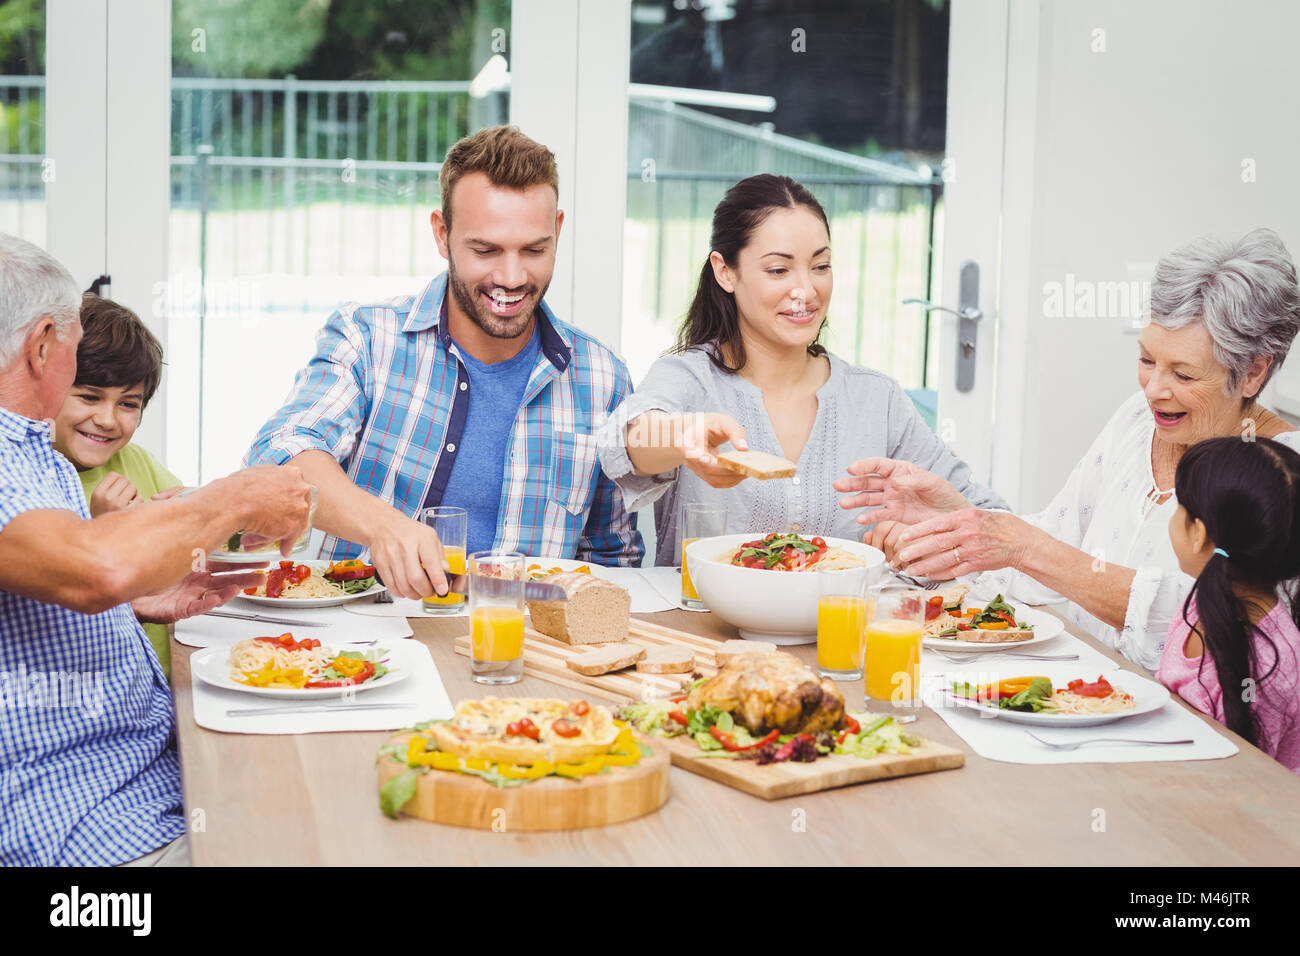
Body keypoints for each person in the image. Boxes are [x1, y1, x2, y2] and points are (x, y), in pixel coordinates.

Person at [840, 228, 1300, 671]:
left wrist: (1022, 546)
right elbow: (1055, 548)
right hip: (1084, 696)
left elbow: (1221, 623)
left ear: (1254, 373)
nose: (1154, 389)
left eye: (1183, 375)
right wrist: (956, 520)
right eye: (1146, 360)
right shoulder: (1137, 424)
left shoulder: (1281, 473)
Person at [0, 233, 313, 865]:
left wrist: (133, 602)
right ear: (42, 346)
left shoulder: (38, 455)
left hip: (153, 778)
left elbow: (65, 581)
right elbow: (94, 567)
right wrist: (238, 496)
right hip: (91, 829)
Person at [245, 125, 643, 598]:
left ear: (557, 230)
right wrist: (382, 527)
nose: (511, 277)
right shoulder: (368, 338)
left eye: (534, 250)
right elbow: (280, 454)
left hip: (520, 651)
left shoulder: (602, 379)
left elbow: (612, 559)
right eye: (485, 250)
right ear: (442, 233)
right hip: (369, 644)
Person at [597, 173, 1005, 566]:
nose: (806, 291)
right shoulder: (689, 377)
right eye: (779, 270)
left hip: (839, 636)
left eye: (821, 266)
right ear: (725, 271)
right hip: (702, 636)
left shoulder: (875, 400)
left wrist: (920, 534)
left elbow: (987, 518)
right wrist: (684, 437)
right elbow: (629, 439)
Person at [51, 294, 184, 680]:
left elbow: (189, 550)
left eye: (128, 403)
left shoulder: (137, 461)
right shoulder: (34, 474)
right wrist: (102, 531)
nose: (108, 419)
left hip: (156, 684)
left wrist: (190, 521)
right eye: (89, 397)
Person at [1158, 437, 1300, 772]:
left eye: (1180, 507)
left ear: (1199, 534)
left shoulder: (1271, 668)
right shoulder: (1199, 606)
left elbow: (1243, 786)